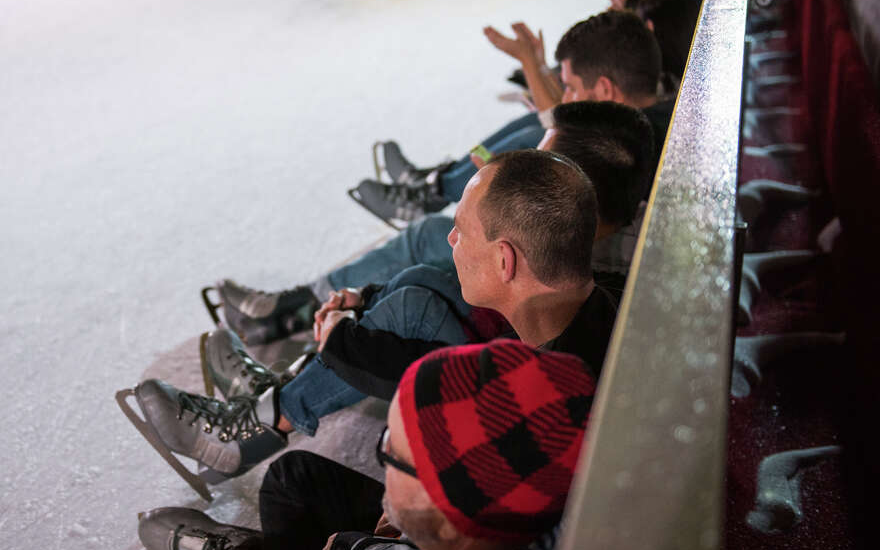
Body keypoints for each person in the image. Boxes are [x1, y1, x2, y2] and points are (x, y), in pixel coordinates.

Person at [127, 149, 616, 483]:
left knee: (410, 305)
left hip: (499, 418)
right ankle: (274, 396)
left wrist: (341, 342)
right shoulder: (590, 303)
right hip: (505, 352)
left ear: (505, 261)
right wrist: (363, 300)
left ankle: (260, 422)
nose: (453, 240)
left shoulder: (549, 386)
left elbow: (444, 388)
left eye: (462, 233)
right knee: (418, 282)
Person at [136, 339, 598, 550]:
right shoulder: (536, 512)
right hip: (427, 548)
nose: (378, 455)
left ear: (439, 513)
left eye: (389, 450)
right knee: (295, 475)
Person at [213, 99, 655, 352]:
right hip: (517, 275)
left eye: (544, 165)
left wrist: (348, 340)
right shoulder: (612, 217)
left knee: (411, 301)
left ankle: (273, 408)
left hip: (506, 323)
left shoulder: (595, 269)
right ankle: (296, 309)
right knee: (426, 244)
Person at [353, 9, 671, 224]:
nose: (567, 98)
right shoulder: (641, 122)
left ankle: (430, 193)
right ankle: (435, 183)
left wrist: (530, 61)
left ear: (604, 89)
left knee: (535, 132)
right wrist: (537, 64)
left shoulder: (619, 153)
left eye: (571, 87)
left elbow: (556, 120)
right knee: (530, 127)